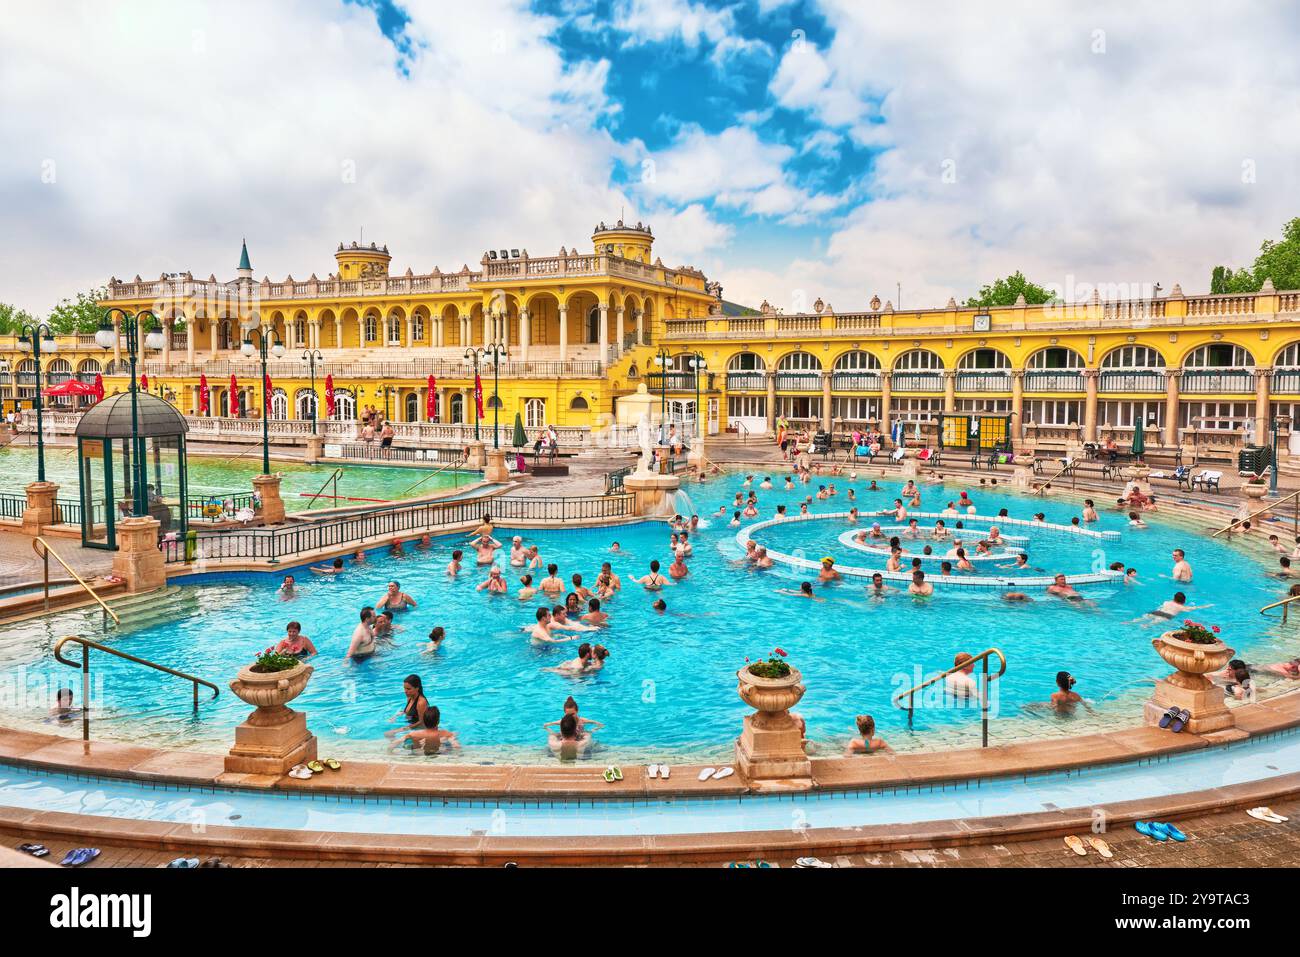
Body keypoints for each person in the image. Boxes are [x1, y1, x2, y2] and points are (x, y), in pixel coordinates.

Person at [390, 706, 460, 754]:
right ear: (438, 721)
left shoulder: (413, 734)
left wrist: (390, 753)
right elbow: (456, 746)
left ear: (424, 721)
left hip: (417, 753)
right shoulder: (446, 733)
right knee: (454, 734)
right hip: (437, 752)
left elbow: (395, 743)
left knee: (408, 745)